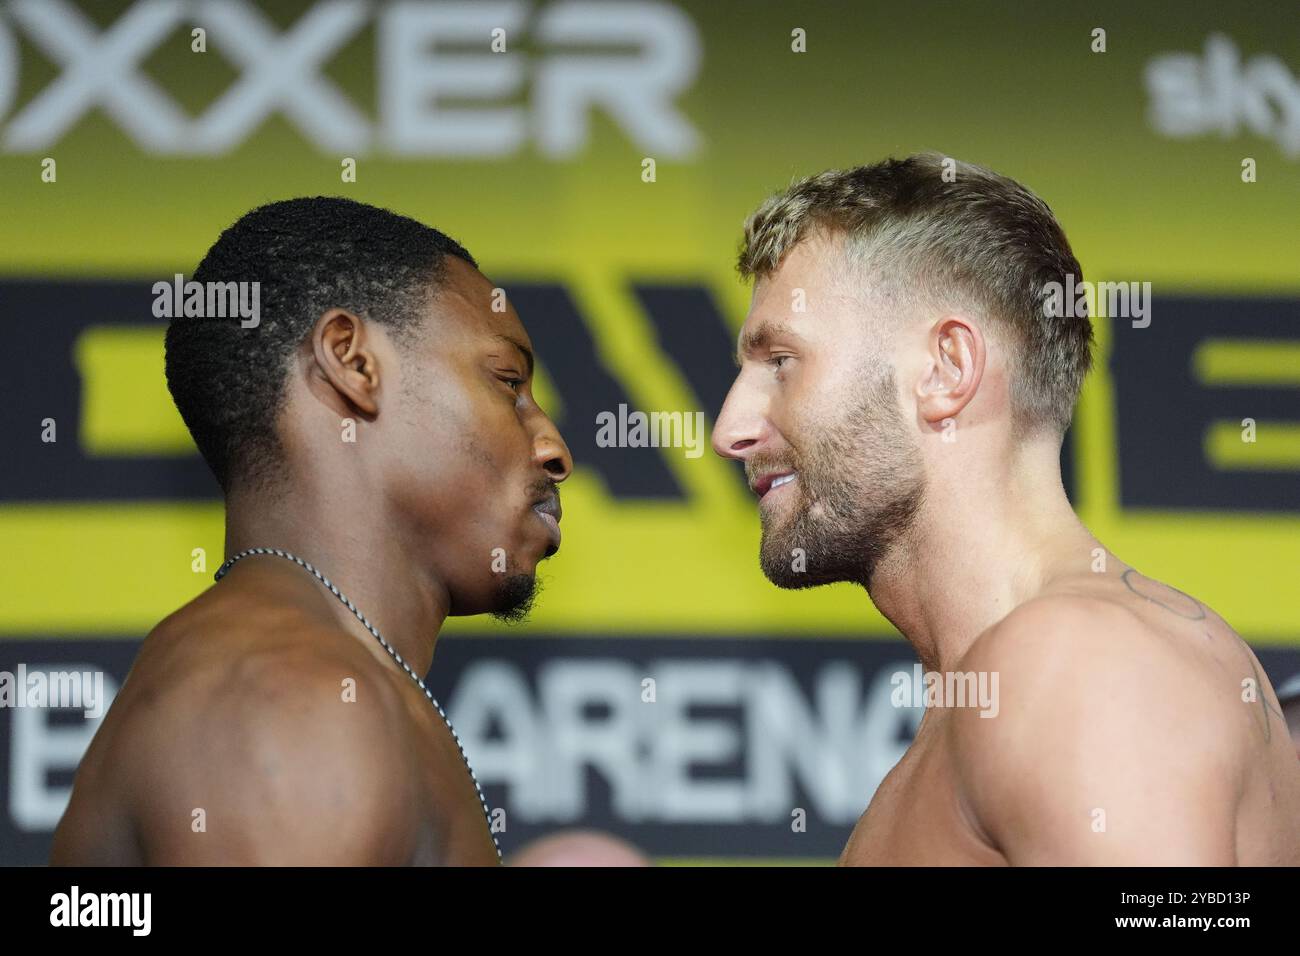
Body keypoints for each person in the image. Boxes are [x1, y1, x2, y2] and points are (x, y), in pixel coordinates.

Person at [712, 155, 1300, 864]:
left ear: (946, 370)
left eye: (780, 361)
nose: (728, 428)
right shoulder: (989, 697)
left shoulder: (1077, 662)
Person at [51, 197, 571, 865]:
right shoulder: (294, 699)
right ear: (351, 363)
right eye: (508, 382)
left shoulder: (319, 677)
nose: (554, 447)